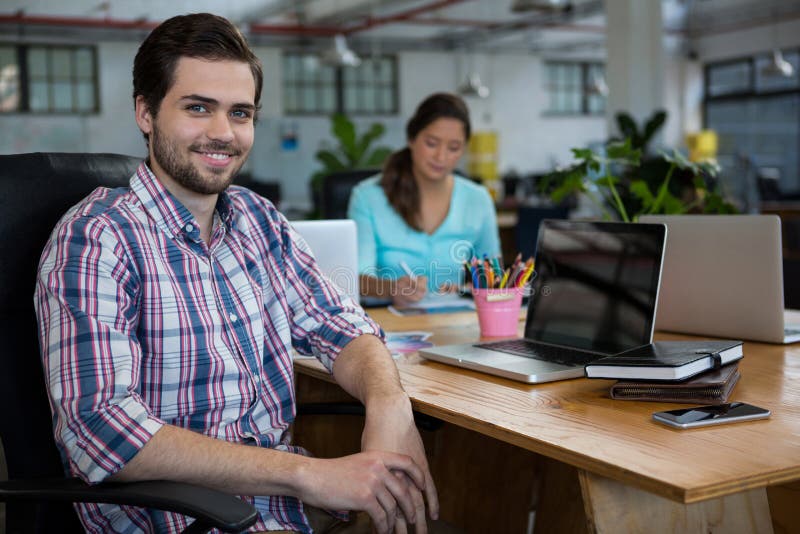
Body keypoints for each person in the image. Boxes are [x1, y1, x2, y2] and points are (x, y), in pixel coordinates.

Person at [34, 13, 438, 534]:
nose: (223, 133)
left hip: (285, 510)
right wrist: (306, 475)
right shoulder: (97, 237)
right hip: (178, 522)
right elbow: (102, 432)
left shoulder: (257, 219)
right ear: (146, 113)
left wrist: (389, 402)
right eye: (198, 108)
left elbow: (341, 324)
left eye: (240, 112)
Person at [347, 93, 500, 307]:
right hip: (387, 323)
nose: (441, 156)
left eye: (453, 148)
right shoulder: (368, 196)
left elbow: (492, 274)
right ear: (412, 138)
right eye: (431, 143)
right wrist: (391, 289)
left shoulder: (478, 199)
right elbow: (355, 279)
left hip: (453, 322)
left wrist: (466, 290)